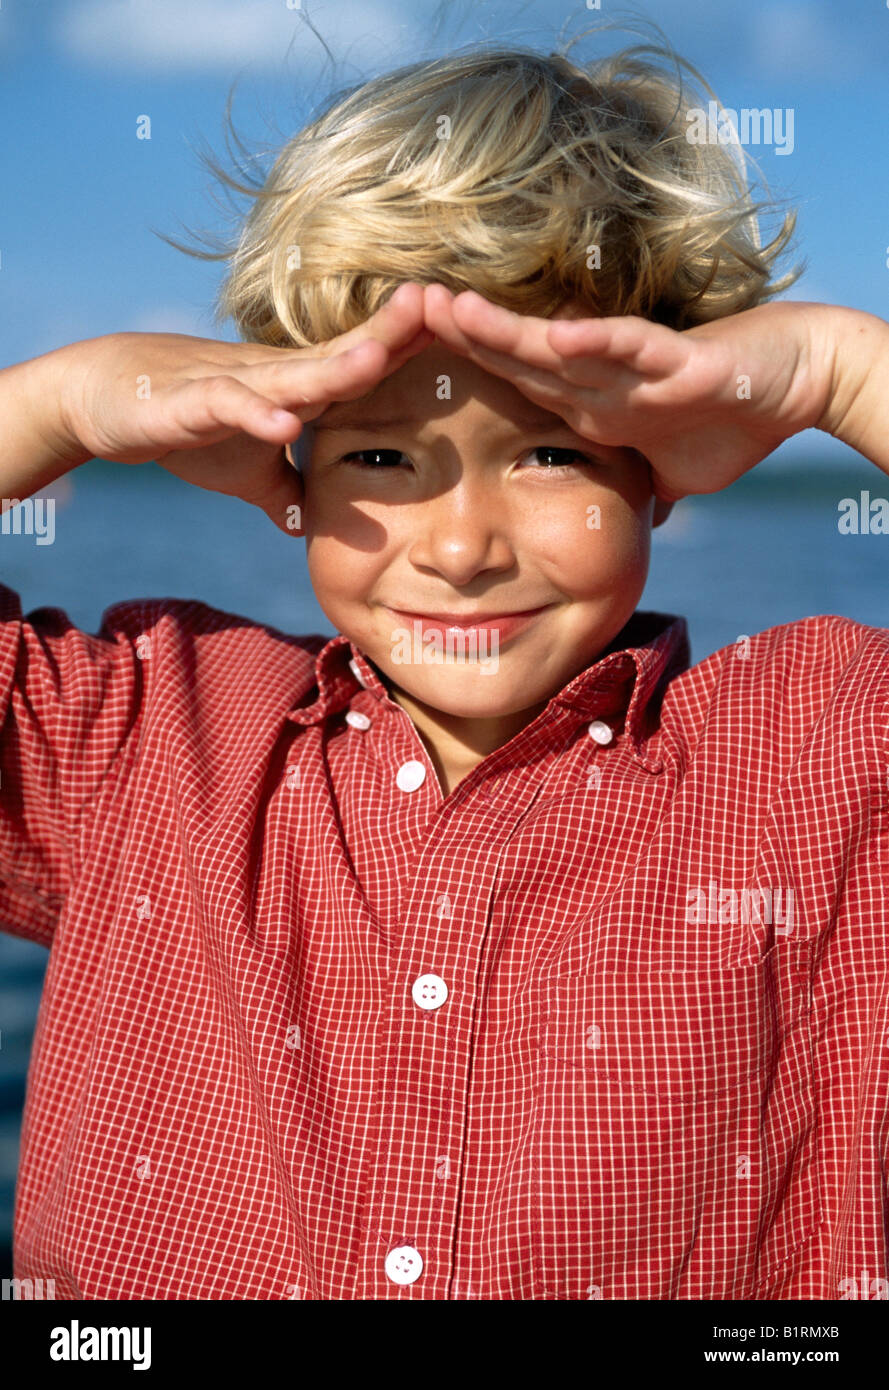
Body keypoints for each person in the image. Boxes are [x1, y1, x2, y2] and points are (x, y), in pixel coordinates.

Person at [1, 35, 887, 1302]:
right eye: (378, 459)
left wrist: (839, 372)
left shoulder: (822, 753)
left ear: (666, 461)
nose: (462, 548)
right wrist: (59, 406)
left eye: (548, 456)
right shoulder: (147, 731)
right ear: (289, 467)